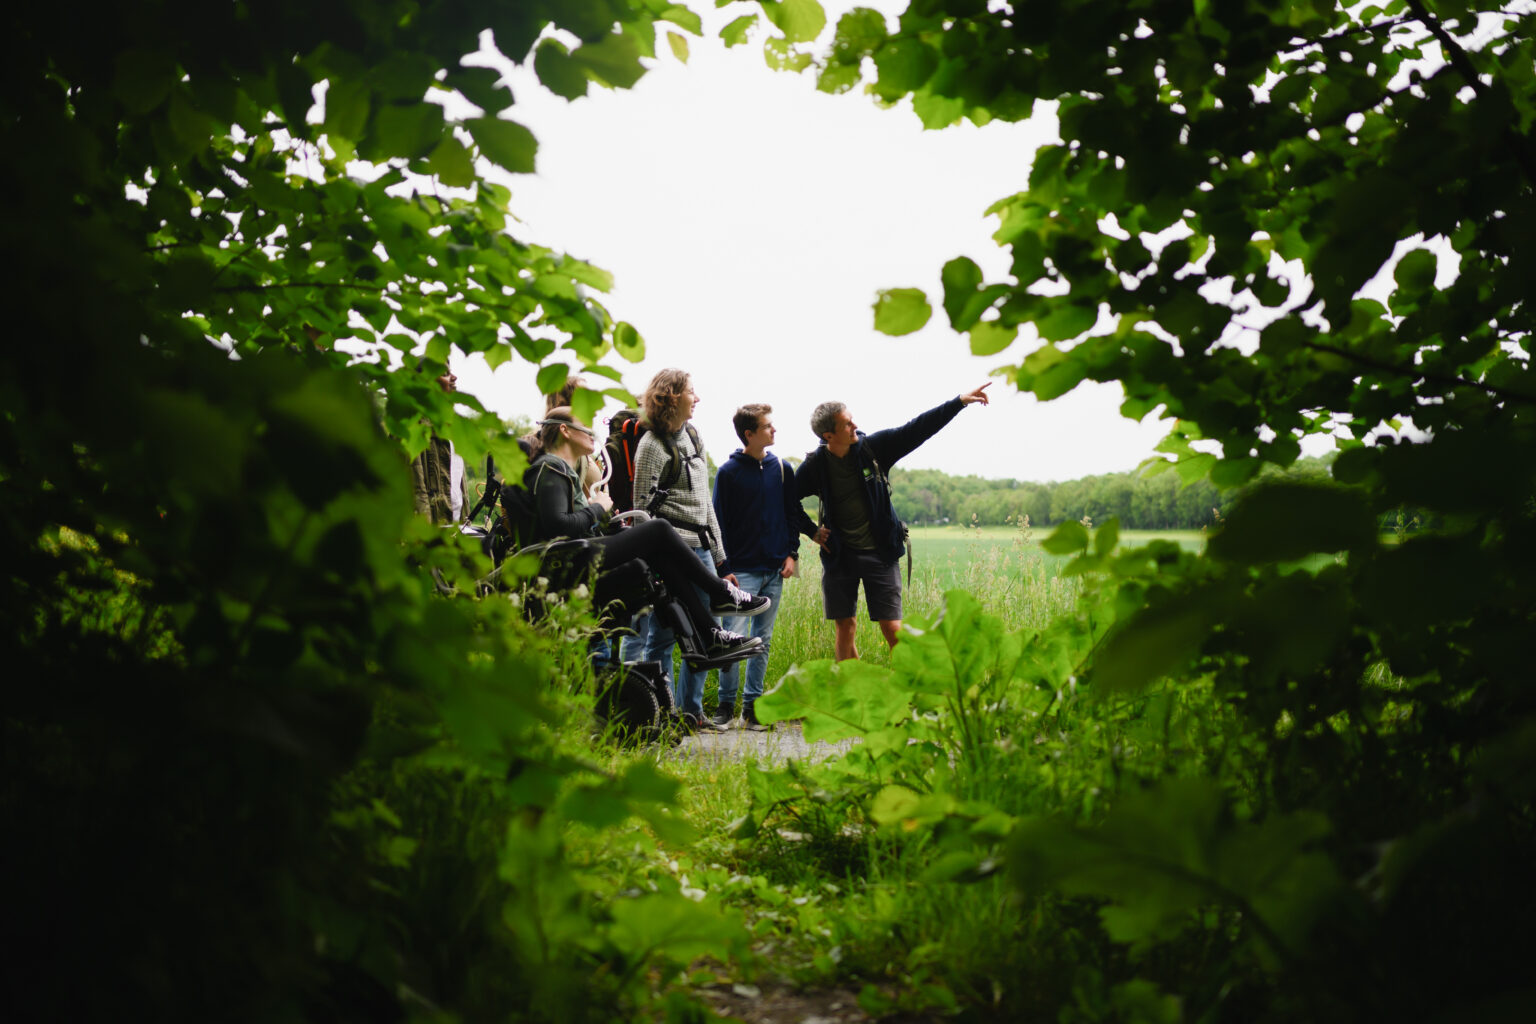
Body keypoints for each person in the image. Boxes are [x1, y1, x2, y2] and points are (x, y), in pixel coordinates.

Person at [523, 407, 769, 667]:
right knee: (659, 529)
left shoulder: (563, 469)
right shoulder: (551, 466)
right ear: (565, 430)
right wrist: (597, 507)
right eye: (585, 424)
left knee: (656, 554)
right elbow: (556, 526)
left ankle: (709, 638)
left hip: (578, 554)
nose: (591, 432)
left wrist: (606, 520)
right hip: (566, 561)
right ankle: (720, 594)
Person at [796, 384, 992, 661]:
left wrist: (958, 402)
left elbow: (917, 429)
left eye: (852, 419)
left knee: (893, 628)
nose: (855, 425)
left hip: (881, 553)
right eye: (847, 423)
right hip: (840, 557)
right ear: (829, 435)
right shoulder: (815, 466)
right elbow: (787, 501)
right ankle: (853, 692)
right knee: (845, 628)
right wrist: (812, 531)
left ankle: (914, 692)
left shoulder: (873, 449)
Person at [633, 369, 751, 726]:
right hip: (670, 557)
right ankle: (663, 710)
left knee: (704, 635)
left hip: (700, 555)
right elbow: (641, 513)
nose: (697, 398)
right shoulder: (652, 446)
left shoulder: (694, 437)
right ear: (670, 396)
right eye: (691, 392)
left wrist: (720, 559)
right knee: (664, 637)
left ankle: (691, 713)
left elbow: (705, 506)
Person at [711, 403, 820, 730]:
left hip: (775, 570)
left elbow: (791, 514)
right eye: (768, 426)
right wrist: (724, 567)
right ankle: (725, 706)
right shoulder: (728, 473)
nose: (774, 430)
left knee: (763, 640)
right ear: (749, 434)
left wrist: (793, 554)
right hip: (740, 573)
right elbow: (718, 523)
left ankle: (753, 709)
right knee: (732, 638)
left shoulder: (782, 469)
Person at [410, 361, 469, 524]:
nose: (454, 377)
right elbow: (416, 493)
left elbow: (459, 493)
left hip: (456, 532)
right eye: (444, 374)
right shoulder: (412, 429)